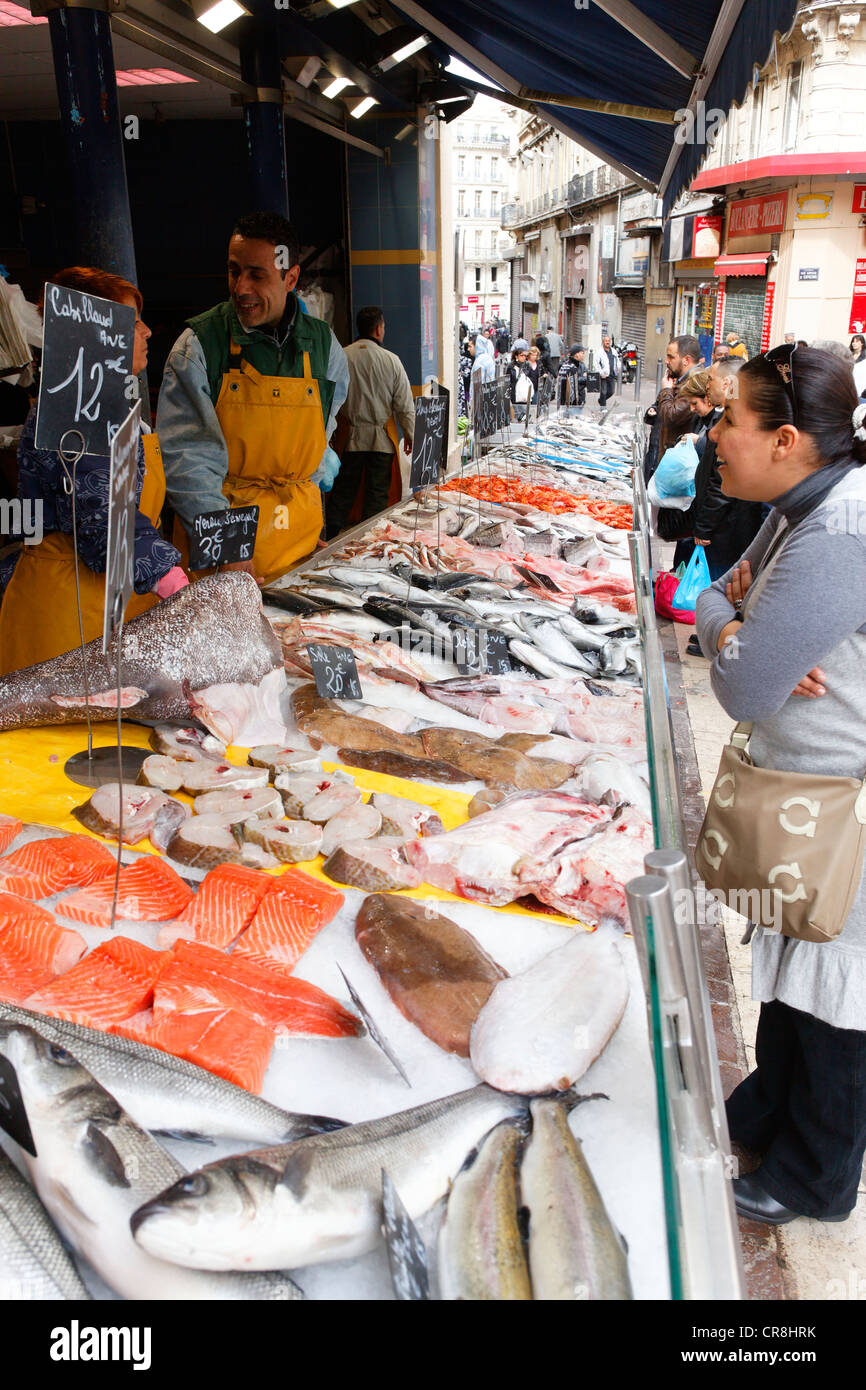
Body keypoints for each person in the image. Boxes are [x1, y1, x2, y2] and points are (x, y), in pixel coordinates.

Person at [695, 346, 866, 1226]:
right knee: (792, 963)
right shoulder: (796, 506)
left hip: (846, 809)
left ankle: (818, 1175)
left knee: (837, 982)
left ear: (788, 438)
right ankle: (770, 1108)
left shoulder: (839, 533)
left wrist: (742, 641)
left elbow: (742, 687)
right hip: (807, 795)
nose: (715, 434)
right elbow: (713, 600)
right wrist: (739, 622)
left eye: (730, 419)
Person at [0, 266, 186, 674]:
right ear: (91, 332)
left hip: (104, 596)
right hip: (72, 611)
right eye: (133, 322)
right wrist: (168, 577)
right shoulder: (78, 407)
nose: (148, 331)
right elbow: (102, 517)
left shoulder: (102, 398)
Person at [157, 211, 349, 587]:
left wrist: (305, 525)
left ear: (290, 277)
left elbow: (321, 439)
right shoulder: (197, 346)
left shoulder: (325, 347)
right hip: (224, 556)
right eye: (234, 271)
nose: (241, 287)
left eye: (257, 274)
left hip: (300, 548)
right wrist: (228, 552)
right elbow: (187, 461)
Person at [325, 306, 414, 538]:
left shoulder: (341, 357)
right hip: (380, 442)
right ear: (378, 328)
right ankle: (371, 539)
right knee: (376, 495)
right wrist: (411, 435)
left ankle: (332, 535)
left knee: (343, 492)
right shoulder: (391, 361)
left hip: (349, 440)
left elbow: (326, 401)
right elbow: (405, 405)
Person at [644, 334, 701, 481]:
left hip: (677, 464)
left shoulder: (693, 384)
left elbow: (671, 416)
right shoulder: (677, 379)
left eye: (671, 357)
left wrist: (666, 391)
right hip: (667, 455)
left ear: (686, 360)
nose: (666, 361)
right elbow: (662, 407)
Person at [557, 344, 586, 413]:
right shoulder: (572, 367)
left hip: (565, 403)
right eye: (582, 353)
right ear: (576, 354)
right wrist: (586, 379)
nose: (584, 355)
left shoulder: (566, 365)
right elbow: (574, 384)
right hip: (572, 405)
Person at [598, 334, 620, 408]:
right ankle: (603, 407)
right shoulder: (599, 352)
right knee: (603, 392)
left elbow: (617, 360)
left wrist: (618, 367)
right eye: (606, 341)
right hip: (604, 375)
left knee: (611, 392)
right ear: (603, 342)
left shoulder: (613, 351)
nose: (607, 342)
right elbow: (596, 363)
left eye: (608, 341)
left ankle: (601, 400)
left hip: (612, 374)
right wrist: (601, 373)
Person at [508, 346, 529, 421]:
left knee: (524, 411)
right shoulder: (511, 366)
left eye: (525, 356)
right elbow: (509, 379)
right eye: (521, 355)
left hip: (524, 392)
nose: (523, 357)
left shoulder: (527, 365)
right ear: (516, 356)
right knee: (516, 411)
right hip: (514, 392)